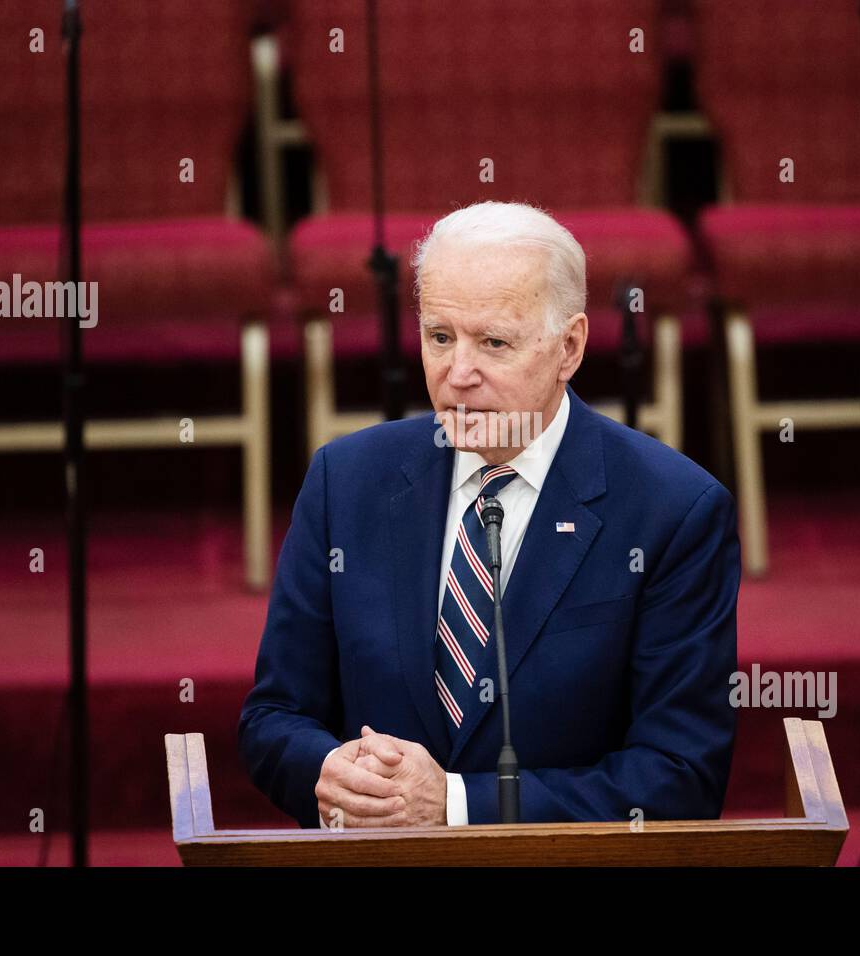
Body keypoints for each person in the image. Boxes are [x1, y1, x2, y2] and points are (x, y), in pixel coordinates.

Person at [238, 201, 740, 828]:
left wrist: (454, 805)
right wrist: (332, 771)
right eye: (439, 337)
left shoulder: (673, 511)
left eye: (494, 342)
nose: (459, 374)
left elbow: (680, 777)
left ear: (570, 347)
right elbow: (273, 718)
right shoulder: (346, 481)